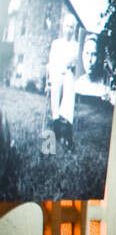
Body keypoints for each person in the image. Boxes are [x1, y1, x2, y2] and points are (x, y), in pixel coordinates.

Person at [46, 11, 80, 149]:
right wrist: (48, 80)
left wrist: (73, 65)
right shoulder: (56, 43)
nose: (68, 29)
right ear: (62, 27)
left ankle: (67, 130)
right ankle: (56, 126)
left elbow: (78, 66)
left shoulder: (76, 46)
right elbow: (50, 63)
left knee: (69, 84)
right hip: (56, 74)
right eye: (66, 26)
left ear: (74, 29)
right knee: (56, 83)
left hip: (69, 76)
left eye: (71, 27)